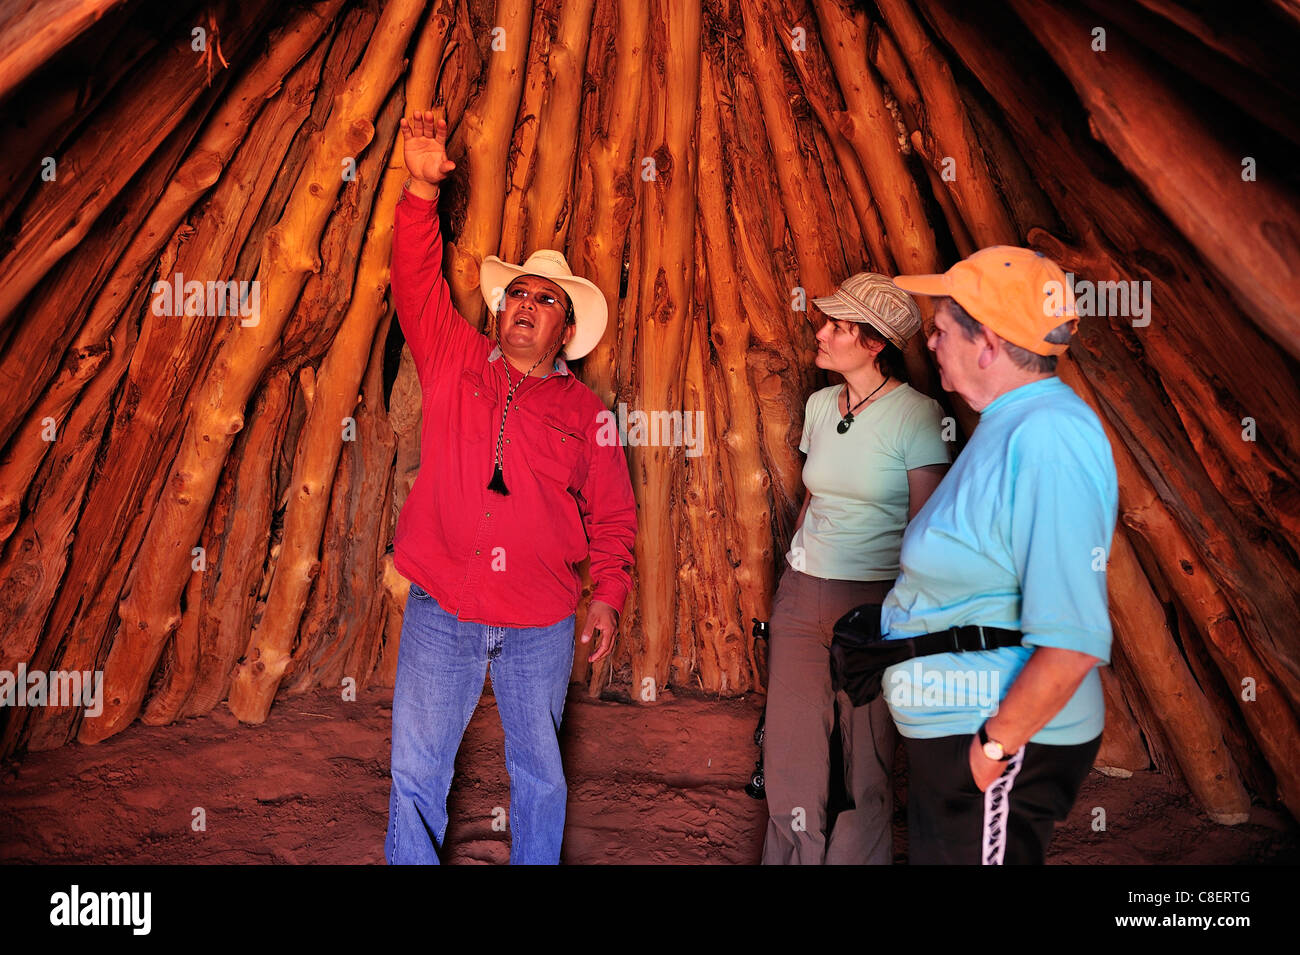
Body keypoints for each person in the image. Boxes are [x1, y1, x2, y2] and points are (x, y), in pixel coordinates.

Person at [385, 110, 637, 865]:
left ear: (566, 328)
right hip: (443, 607)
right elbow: (415, 278)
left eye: (546, 299)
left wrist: (610, 592)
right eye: (518, 294)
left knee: (539, 774)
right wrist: (419, 191)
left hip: (539, 619)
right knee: (416, 770)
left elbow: (615, 515)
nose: (526, 305)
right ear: (501, 309)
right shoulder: (453, 357)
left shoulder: (586, 414)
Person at [882, 246, 1119, 865]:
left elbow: (1071, 642)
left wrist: (991, 750)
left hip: (996, 744)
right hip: (962, 731)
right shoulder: (1011, 422)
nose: (930, 344)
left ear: (986, 342)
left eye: (938, 331)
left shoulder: (1050, 437)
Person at [761, 273, 951, 865]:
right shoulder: (821, 406)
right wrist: (794, 566)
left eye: (837, 328)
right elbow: (814, 499)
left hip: (873, 602)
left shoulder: (918, 415)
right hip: (802, 591)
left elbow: (925, 527)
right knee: (790, 752)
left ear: (873, 344)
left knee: (865, 754)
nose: (820, 334)